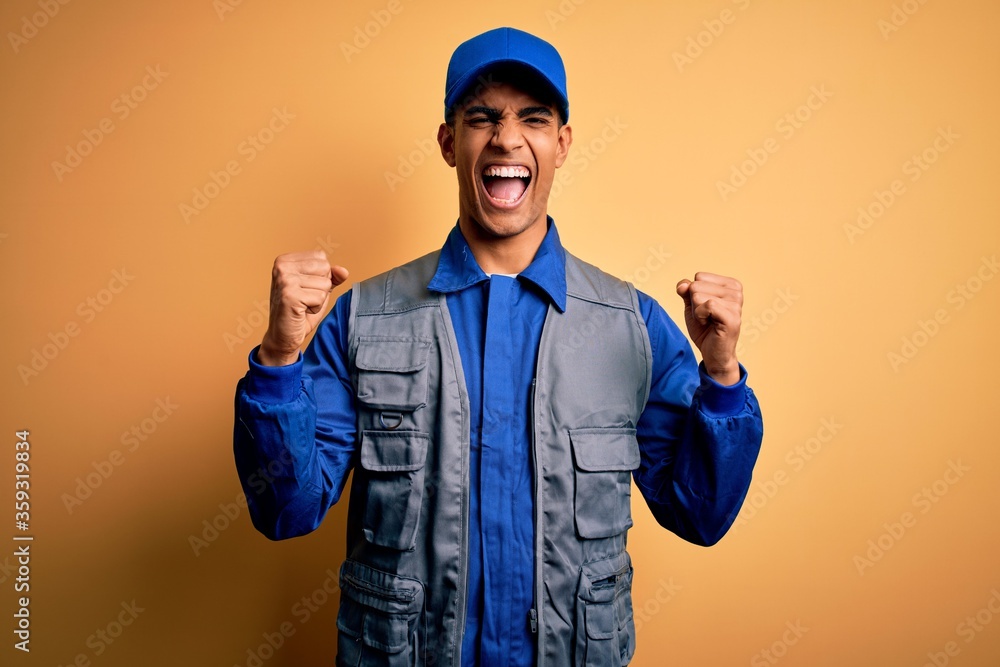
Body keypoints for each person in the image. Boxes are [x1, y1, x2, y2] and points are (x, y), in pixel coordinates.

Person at [233, 26, 763, 667]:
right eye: (482, 117)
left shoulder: (631, 325)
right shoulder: (363, 318)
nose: (507, 138)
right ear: (449, 142)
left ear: (561, 144)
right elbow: (286, 509)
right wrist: (280, 357)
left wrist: (722, 373)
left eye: (533, 118)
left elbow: (699, 516)